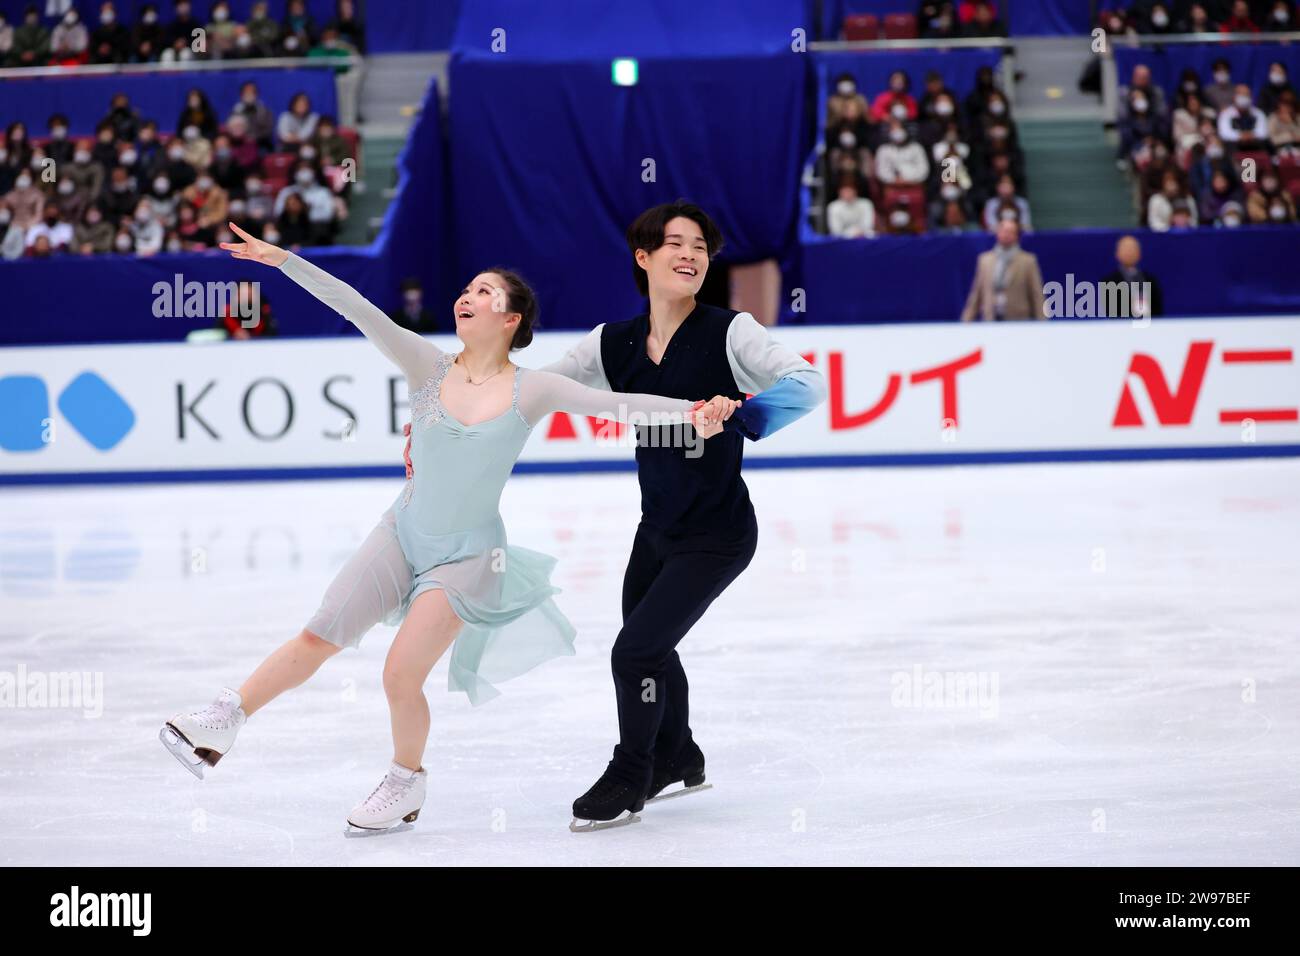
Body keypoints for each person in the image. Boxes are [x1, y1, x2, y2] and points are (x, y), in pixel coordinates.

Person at [159, 221, 729, 834]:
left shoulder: (532, 387)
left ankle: (405, 783)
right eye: (467, 290)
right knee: (318, 635)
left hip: (467, 558)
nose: (469, 297)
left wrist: (694, 413)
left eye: (485, 292)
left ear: (511, 319)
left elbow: (618, 406)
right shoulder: (428, 364)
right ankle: (227, 716)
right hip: (402, 532)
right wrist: (283, 260)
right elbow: (353, 306)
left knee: (400, 672)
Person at [536, 201, 827, 828]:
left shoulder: (731, 331)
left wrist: (743, 409)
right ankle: (678, 754)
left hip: (718, 534)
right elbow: (542, 386)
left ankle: (631, 774)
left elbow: (808, 384)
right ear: (643, 258)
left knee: (634, 652)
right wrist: (468, 394)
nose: (690, 254)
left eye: (700, 245)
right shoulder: (612, 343)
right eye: (675, 243)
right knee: (652, 648)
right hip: (657, 529)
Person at [960, 219, 1045, 320]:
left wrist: (1042, 321)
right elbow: (977, 293)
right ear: (998, 233)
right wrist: (966, 320)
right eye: (1004, 231)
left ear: (1016, 236)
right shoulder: (985, 260)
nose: (1006, 235)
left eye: (1010, 232)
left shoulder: (1028, 261)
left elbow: (1036, 294)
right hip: (991, 320)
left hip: (1018, 322)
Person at [1100, 234, 1163, 318]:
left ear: (1139, 253)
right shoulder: (1109, 281)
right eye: (1125, 249)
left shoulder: (1150, 280)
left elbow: (1158, 310)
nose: (1129, 252)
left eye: (1132, 249)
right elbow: (1110, 312)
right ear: (1117, 253)